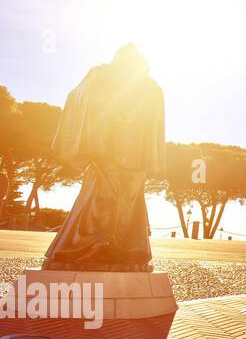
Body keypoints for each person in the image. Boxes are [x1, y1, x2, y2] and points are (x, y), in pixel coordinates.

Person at [42, 44, 165, 272]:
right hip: (111, 154)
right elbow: (81, 98)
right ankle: (89, 246)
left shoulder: (148, 87)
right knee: (102, 198)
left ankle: (122, 249)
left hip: (128, 158)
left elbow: (152, 126)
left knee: (120, 201)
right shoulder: (104, 76)